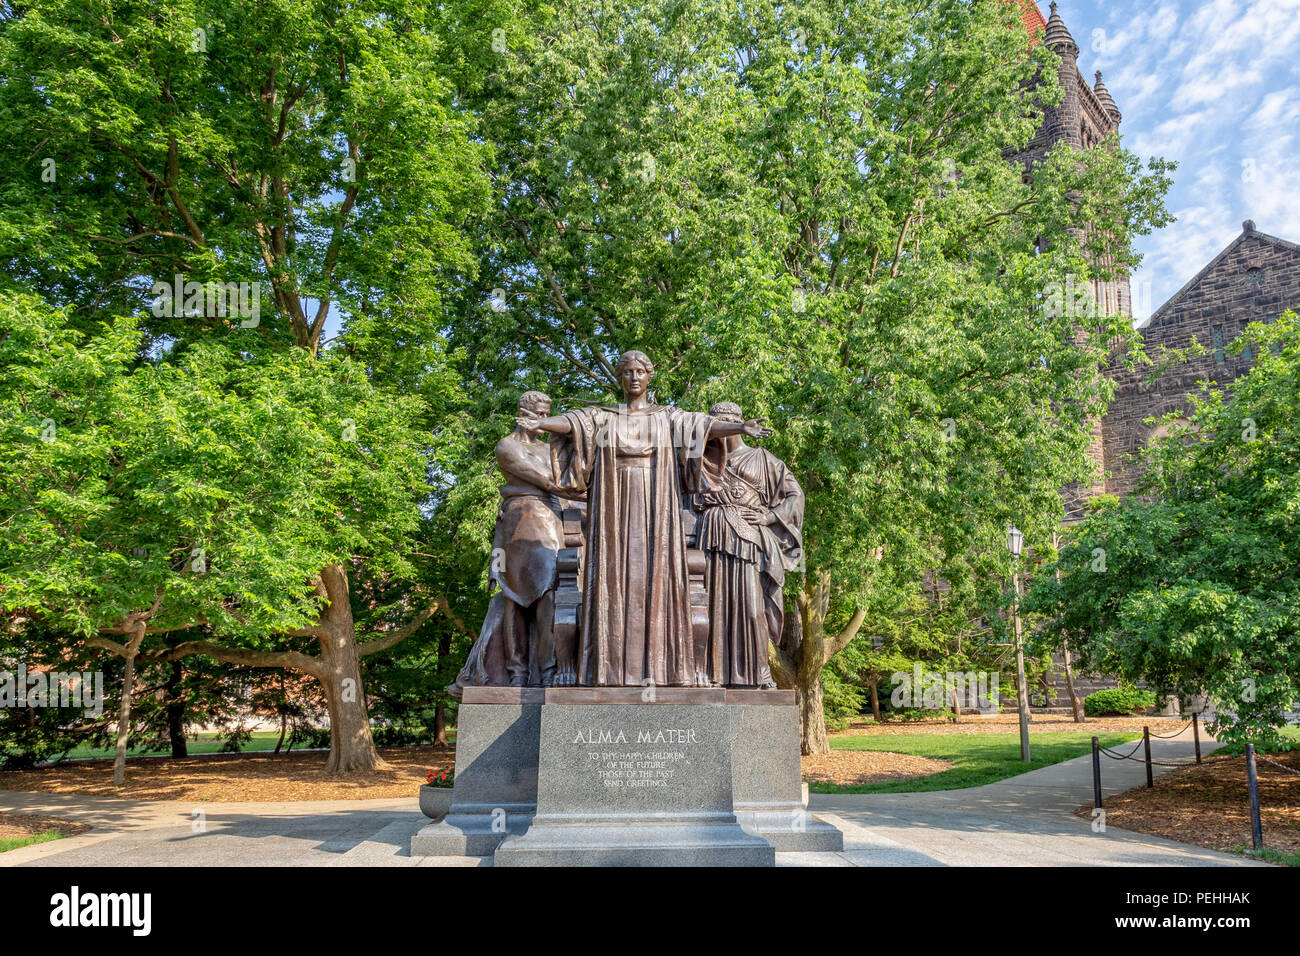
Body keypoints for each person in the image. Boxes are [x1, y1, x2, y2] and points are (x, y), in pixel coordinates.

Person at [523, 351, 771, 686]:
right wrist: (542, 423)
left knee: (657, 580)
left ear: (650, 376)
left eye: (640, 371)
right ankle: (610, 670)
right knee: (614, 580)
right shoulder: (605, 417)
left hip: (657, 509)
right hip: (614, 508)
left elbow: (702, 426)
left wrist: (740, 426)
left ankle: (662, 668)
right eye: (627, 372)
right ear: (619, 378)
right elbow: (574, 423)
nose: (634, 377)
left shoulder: (666, 418)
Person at [447, 391, 568, 694]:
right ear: (523, 413)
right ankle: (516, 673)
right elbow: (551, 481)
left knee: (549, 594)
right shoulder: (507, 446)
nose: (545, 420)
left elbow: (565, 479)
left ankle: (547, 671)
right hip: (519, 521)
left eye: (547, 414)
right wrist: (494, 566)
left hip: (550, 520)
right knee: (513, 598)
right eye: (539, 414)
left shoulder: (549, 447)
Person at [694, 401, 804, 688]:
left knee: (751, 606)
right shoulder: (702, 461)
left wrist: (769, 516)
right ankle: (712, 672)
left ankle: (758, 671)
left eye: (719, 429)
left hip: (747, 538)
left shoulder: (763, 459)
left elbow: (795, 495)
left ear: (732, 426)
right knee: (713, 606)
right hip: (712, 535)